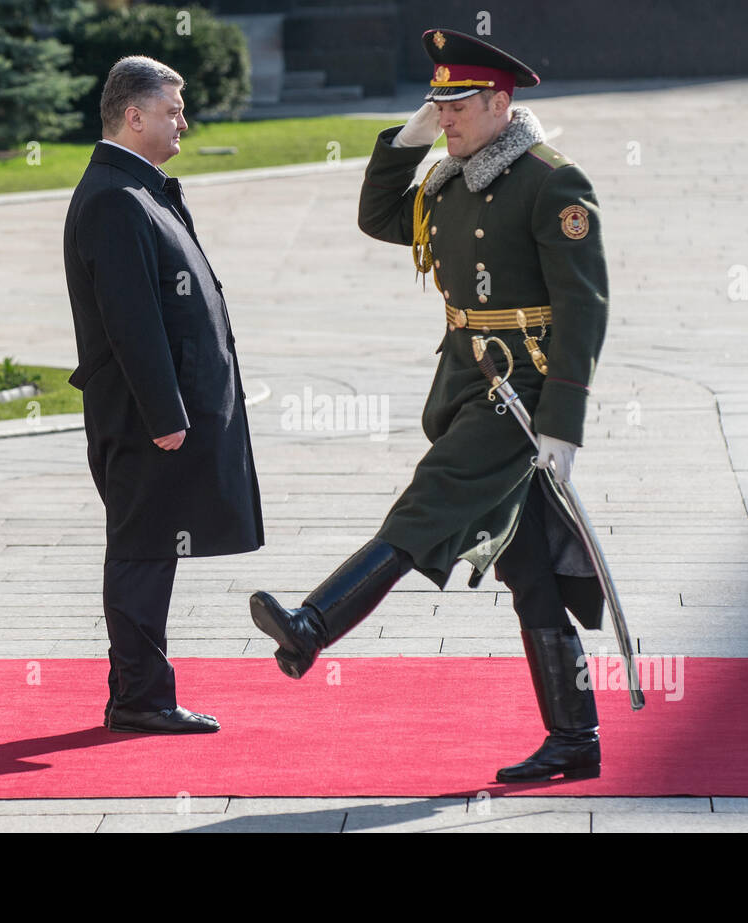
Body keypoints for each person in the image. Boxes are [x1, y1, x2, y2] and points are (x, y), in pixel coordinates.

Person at [250, 29, 611, 782]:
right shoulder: (449, 178)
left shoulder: (552, 182)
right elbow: (379, 216)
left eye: (456, 106)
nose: (442, 118)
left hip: (521, 395)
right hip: (463, 383)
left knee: (430, 501)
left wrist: (562, 425)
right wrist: (403, 142)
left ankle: (314, 624)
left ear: (500, 103)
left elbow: (585, 309)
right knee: (532, 568)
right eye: (435, 105)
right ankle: (575, 737)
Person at [62, 56, 263, 734]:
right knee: (141, 551)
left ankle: (139, 691)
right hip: (142, 416)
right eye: (174, 109)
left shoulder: (136, 187)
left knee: (148, 550)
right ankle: (141, 697)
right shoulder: (118, 197)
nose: (185, 121)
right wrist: (166, 414)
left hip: (151, 412)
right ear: (134, 115)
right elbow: (132, 321)